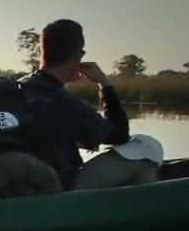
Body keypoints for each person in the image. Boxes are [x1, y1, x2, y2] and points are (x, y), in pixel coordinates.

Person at [20, 19, 160, 190]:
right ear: (77, 56)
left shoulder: (16, 88)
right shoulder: (65, 103)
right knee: (147, 148)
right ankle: (141, 210)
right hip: (61, 188)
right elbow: (119, 135)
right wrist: (104, 84)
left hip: (22, 184)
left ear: (43, 52)